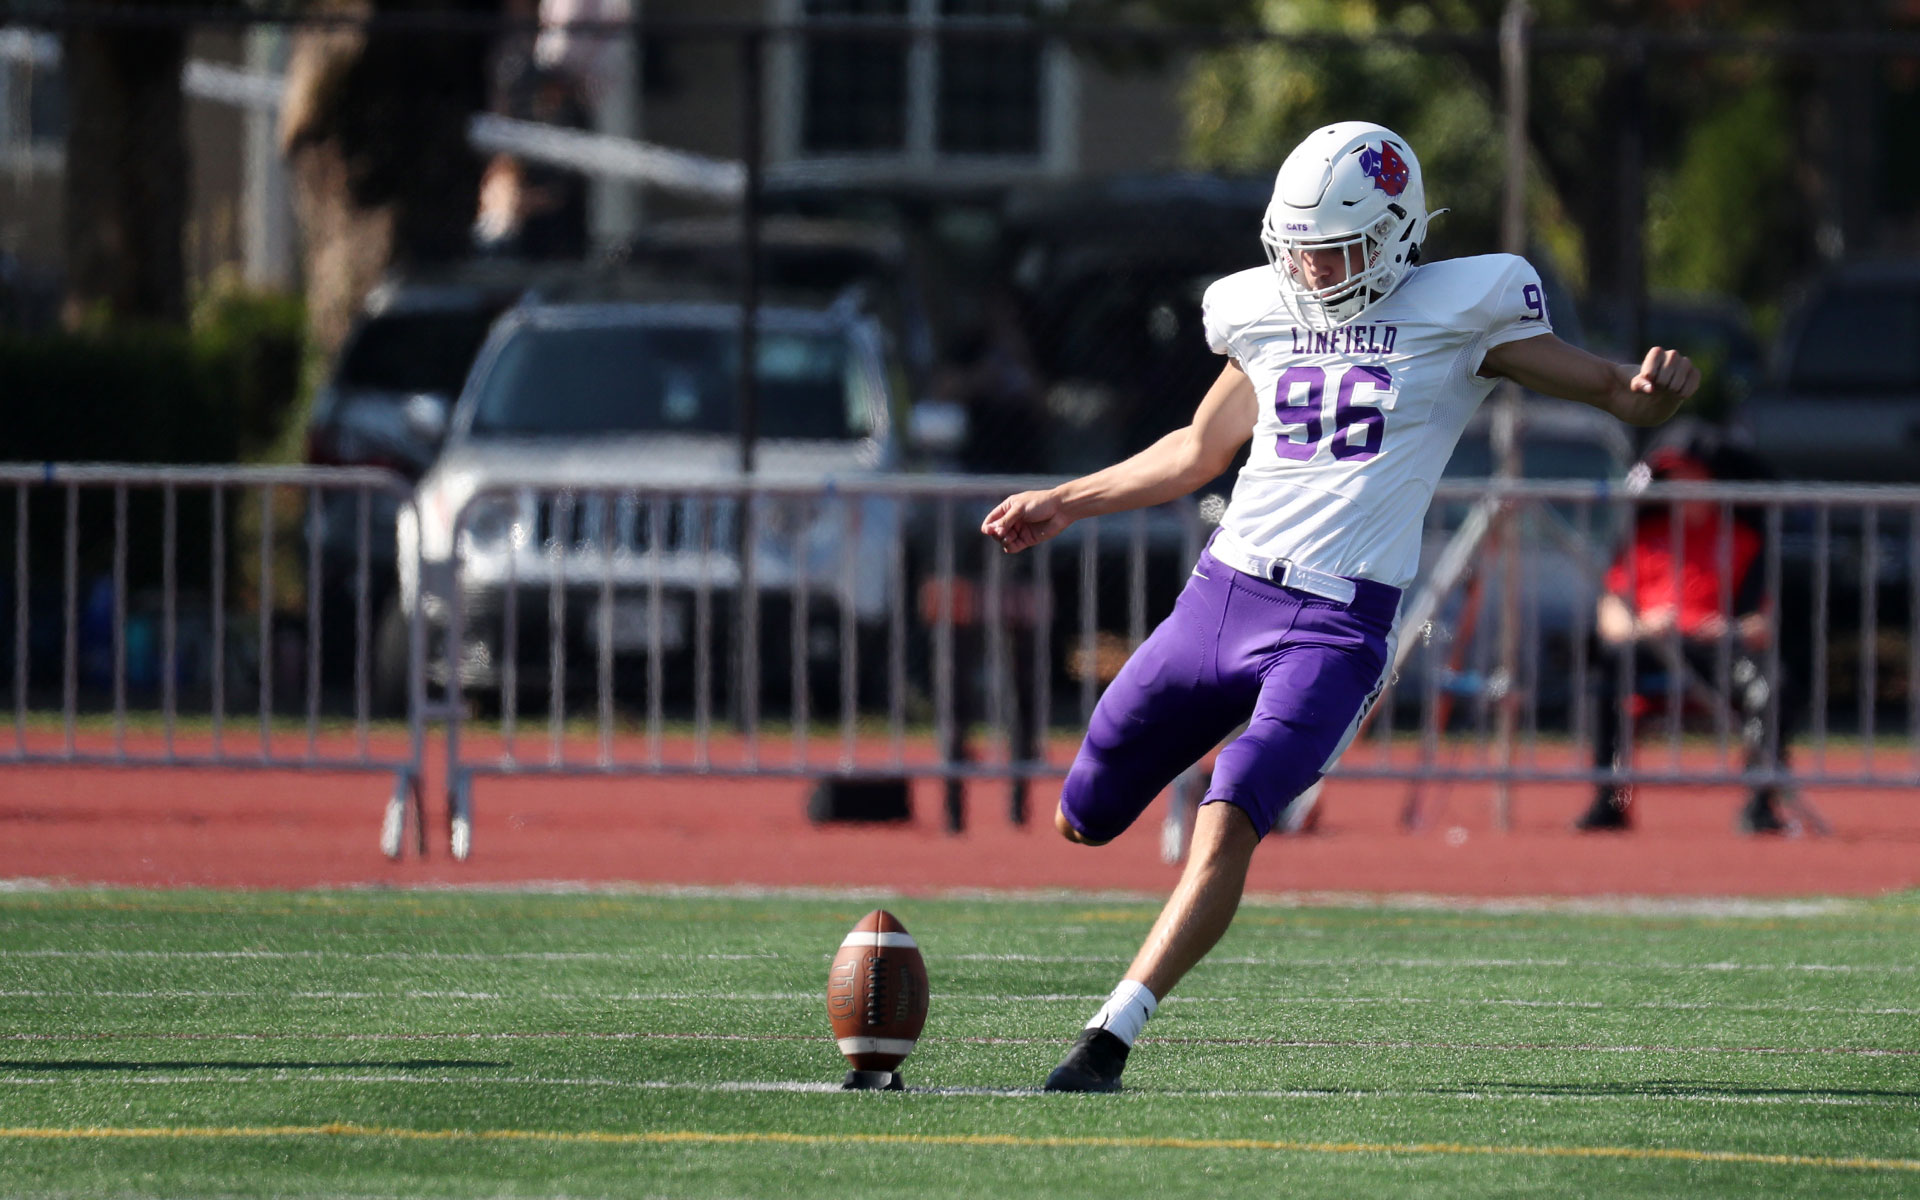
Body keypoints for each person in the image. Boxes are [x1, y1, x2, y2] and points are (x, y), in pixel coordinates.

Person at [980, 121, 1699, 1092]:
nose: (1316, 268)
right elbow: (1198, 452)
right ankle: (1118, 979)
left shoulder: (1463, 308)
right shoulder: (1263, 310)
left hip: (1334, 628)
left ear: (1400, 234)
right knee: (1085, 819)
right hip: (1219, 600)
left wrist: (1650, 396)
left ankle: (1111, 1034)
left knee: (1229, 813)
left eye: (1339, 248)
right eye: (1301, 248)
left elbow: (1615, 391)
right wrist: (1066, 500)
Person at [1574, 438, 1796, 834]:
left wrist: (1729, 629)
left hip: (1715, 647)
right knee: (1606, 671)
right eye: (1674, 476)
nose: (1681, 484)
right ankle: (1610, 801)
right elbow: (1610, 614)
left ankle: (1760, 803)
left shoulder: (1742, 539)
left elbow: (1762, 622)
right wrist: (1644, 626)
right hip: (1651, 643)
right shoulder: (1642, 537)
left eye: (1690, 474)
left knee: (1772, 683)